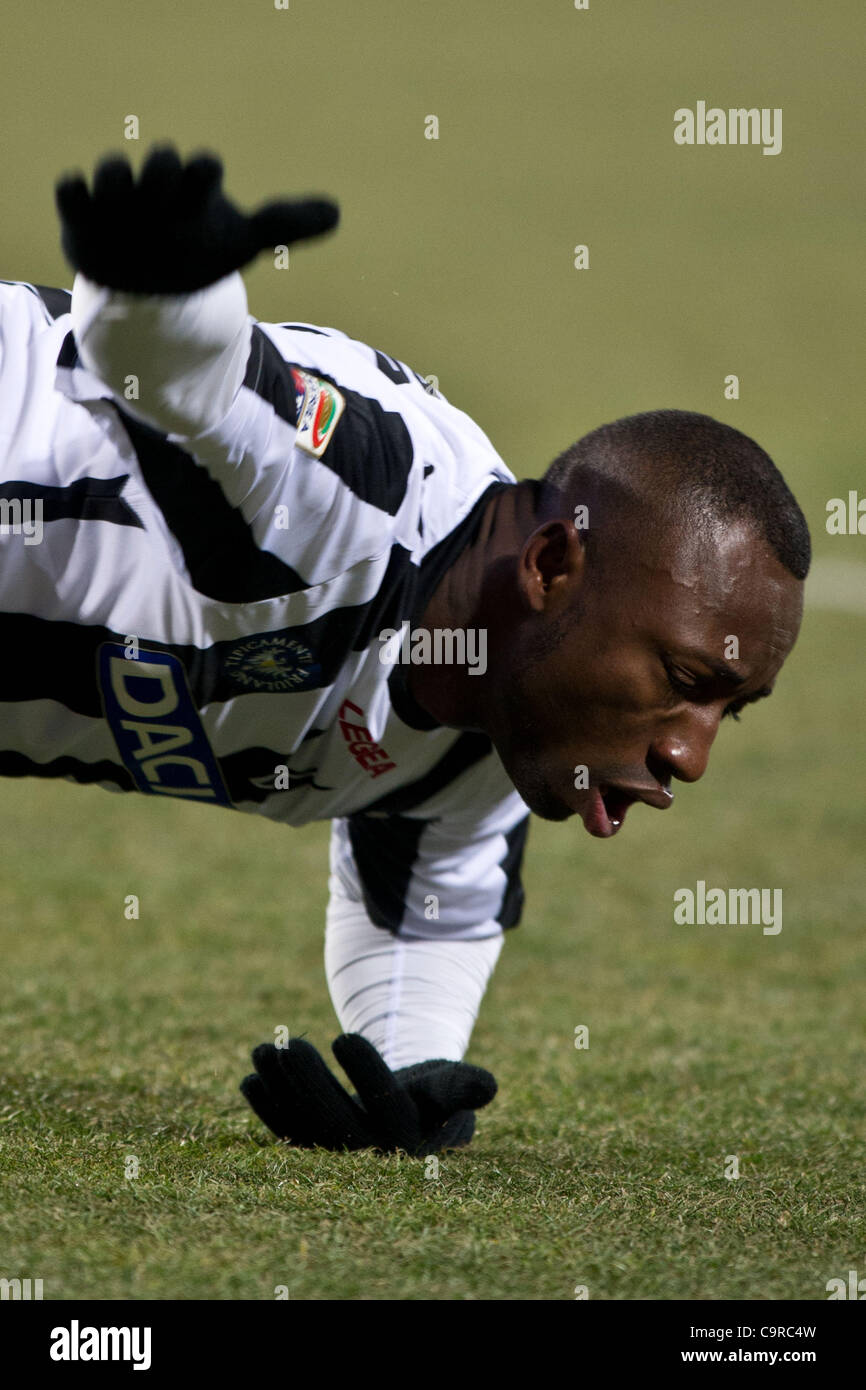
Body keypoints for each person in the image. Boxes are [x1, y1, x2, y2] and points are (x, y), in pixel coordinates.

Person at [0, 146, 809, 1155]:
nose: (690, 756)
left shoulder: (489, 746)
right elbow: (196, 389)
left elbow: (424, 927)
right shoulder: (362, 498)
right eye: (689, 684)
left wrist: (408, 1082)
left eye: (724, 713)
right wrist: (165, 286)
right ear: (553, 566)